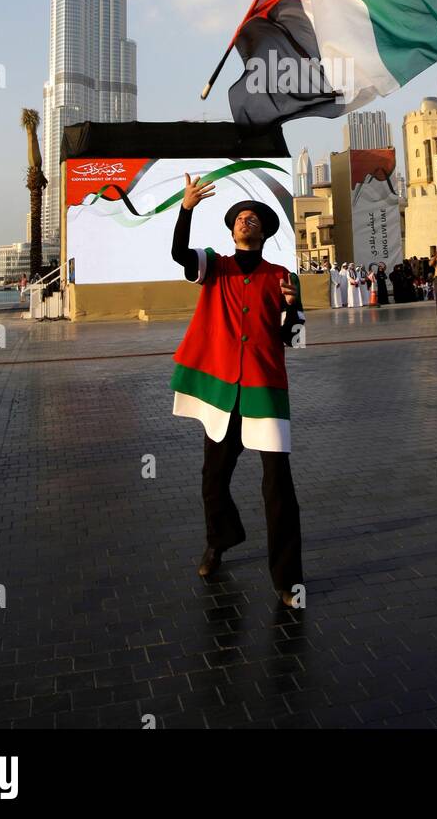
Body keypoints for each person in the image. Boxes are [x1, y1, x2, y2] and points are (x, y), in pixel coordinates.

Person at [169, 174, 305, 607]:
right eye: (241, 218)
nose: (248, 221)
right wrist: (186, 208)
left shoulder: (283, 276)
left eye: (255, 219)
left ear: (263, 232)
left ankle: (287, 579)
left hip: (264, 390)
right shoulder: (215, 265)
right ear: (232, 231)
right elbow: (178, 254)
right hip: (220, 390)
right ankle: (220, 540)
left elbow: (294, 339)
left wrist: (290, 307)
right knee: (214, 479)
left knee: (278, 489)